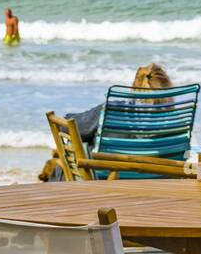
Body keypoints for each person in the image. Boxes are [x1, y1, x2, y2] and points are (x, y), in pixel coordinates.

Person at [42, 64, 174, 181]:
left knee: (64, 162)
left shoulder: (113, 109)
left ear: (135, 87)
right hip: (157, 181)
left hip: (109, 179)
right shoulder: (176, 120)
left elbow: (68, 128)